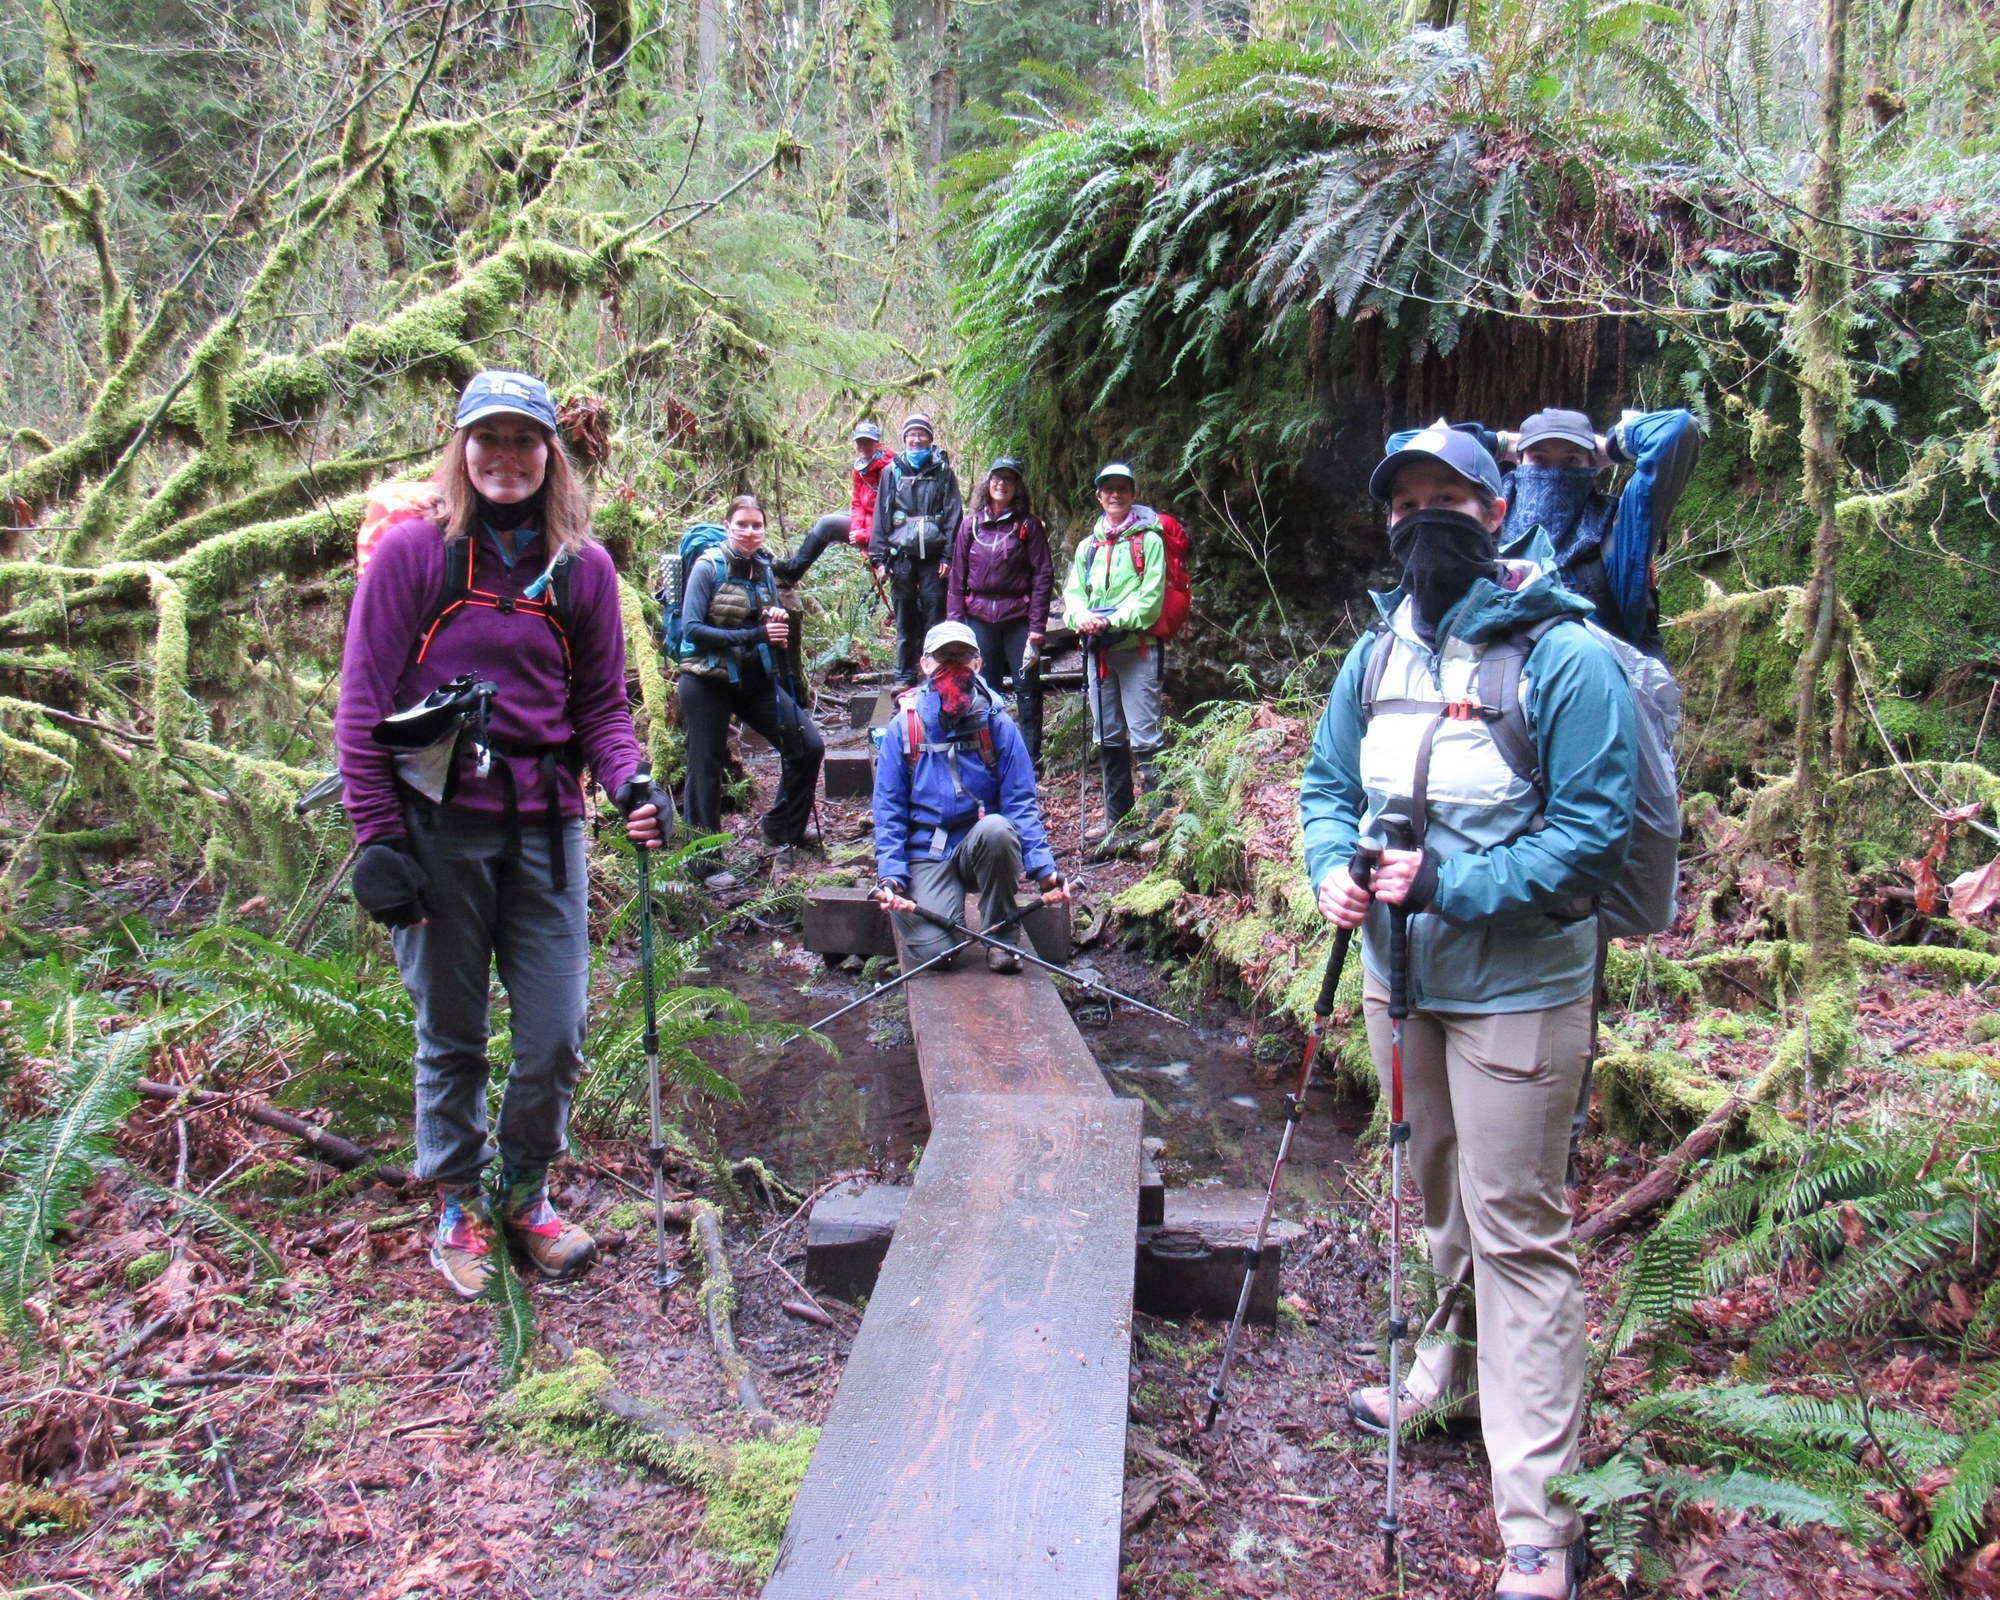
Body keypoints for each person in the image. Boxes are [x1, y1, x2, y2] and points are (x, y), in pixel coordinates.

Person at [1298, 423, 1637, 1600]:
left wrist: (1455, 884)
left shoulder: (1565, 656)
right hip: (1402, 981)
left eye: (1448, 498)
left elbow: (1589, 837)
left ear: (1499, 515)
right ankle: (1447, 1370)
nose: (1421, 518)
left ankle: (1538, 1520)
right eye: (1403, 503)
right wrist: (1330, 866)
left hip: (1519, 991)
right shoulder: (1375, 654)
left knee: (1517, 1231)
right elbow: (1325, 786)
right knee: (1436, 1191)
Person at [335, 369, 672, 1301]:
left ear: (551, 454)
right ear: (461, 450)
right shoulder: (415, 557)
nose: (507, 459)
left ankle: (526, 1191)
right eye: (488, 440)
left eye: (525, 441)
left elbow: (602, 707)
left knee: (556, 1032)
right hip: (437, 830)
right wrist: (378, 840)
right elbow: (363, 708)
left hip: (548, 826)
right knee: (451, 1029)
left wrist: (632, 782)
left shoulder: (585, 571)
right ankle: (458, 1204)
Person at [872, 622, 1067, 973]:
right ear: (925, 665)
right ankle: (939, 915)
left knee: (998, 829)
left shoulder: (997, 724)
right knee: (939, 954)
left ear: (977, 665)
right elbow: (889, 809)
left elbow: (1020, 803)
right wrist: (891, 875)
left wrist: (1044, 869)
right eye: (942, 657)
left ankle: (1002, 936)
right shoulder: (904, 728)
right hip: (926, 852)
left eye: (961, 656)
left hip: (981, 846)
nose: (952, 664)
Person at [677, 494, 826, 853]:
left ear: (764, 529)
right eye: (741, 524)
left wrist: (771, 618)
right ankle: (704, 861)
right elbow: (692, 629)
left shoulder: (763, 570)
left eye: (756, 525)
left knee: (807, 745)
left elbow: (756, 619)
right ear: (728, 526)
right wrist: (756, 634)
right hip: (706, 680)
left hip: (753, 679)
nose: (749, 531)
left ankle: (782, 829)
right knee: (705, 767)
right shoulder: (707, 566)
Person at [1488, 406, 1699, 657]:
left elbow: (1679, 428)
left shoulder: (1616, 536)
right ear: (1518, 462)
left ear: (1593, 466)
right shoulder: (1485, 524)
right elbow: (1430, 450)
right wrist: (1499, 444)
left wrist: (1613, 448)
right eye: (1540, 459)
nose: (1555, 473)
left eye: (1571, 460)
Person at [1062, 462, 1166, 842]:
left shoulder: (1149, 541)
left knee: (1145, 735)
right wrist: (1082, 617)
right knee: (1107, 735)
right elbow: (1072, 596)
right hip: (1098, 651)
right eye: (1108, 489)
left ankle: (1160, 821)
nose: (1115, 494)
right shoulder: (1088, 547)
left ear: (1133, 493)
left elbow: (1150, 601)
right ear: (1099, 495)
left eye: (1122, 488)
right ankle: (1118, 823)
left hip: (1137, 648)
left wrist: (1111, 621)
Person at [946, 456, 1053, 766]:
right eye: (997, 478)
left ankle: (1031, 760)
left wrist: (1037, 626)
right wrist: (955, 626)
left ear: (1017, 486)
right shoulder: (971, 525)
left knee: (1027, 689)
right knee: (985, 689)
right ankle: (989, 754)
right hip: (979, 617)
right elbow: (957, 578)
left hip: (1018, 619)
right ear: (987, 482)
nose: (1001, 484)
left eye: (1009, 479)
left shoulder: (1028, 527)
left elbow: (1043, 575)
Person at [871, 412, 963, 687]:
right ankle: (904, 675)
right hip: (901, 555)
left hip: (934, 556)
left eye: (921, 434)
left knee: (936, 617)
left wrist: (949, 554)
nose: (916, 439)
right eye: (911, 435)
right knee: (905, 618)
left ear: (930, 439)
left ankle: (935, 674)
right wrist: (879, 558)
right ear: (905, 439)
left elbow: (953, 516)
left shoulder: (943, 471)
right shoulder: (892, 471)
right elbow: (881, 516)